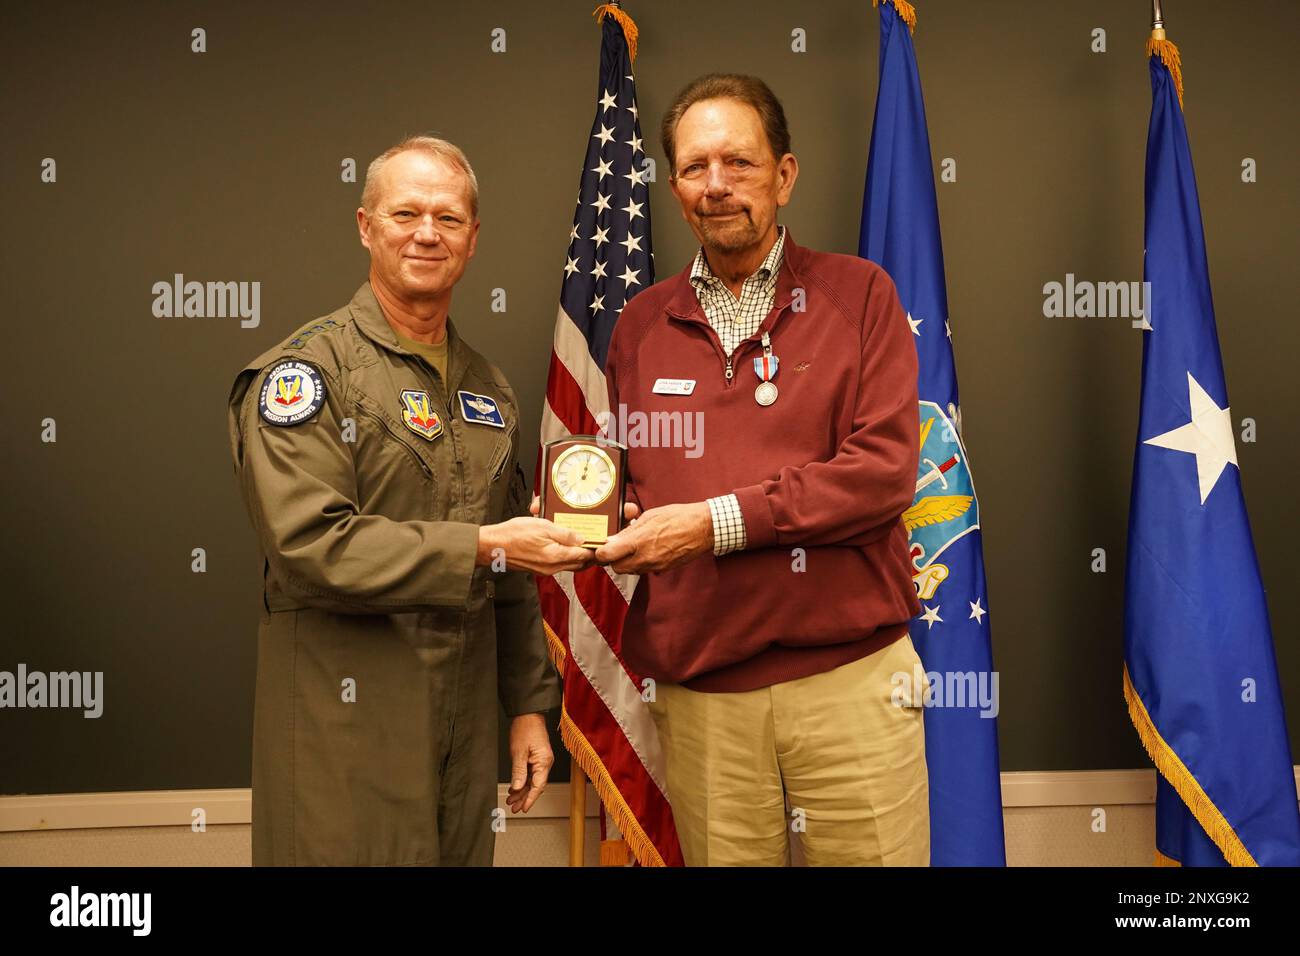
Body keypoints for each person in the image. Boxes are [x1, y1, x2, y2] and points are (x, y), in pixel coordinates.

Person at [593, 74, 930, 866]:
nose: (716, 186)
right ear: (672, 186)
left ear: (783, 175)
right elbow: (629, 481)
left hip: (850, 684)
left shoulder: (860, 295)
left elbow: (882, 474)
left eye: (738, 164)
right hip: (704, 697)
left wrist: (715, 524)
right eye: (694, 167)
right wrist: (604, 518)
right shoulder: (640, 326)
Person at [226, 135, 591, 866]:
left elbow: (514, 568)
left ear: (473, 238)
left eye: (449, 218)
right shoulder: (304, 374)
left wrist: (527, 704)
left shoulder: (488, 390)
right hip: (345, 733)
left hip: (462, 735)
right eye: (406, 213)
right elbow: (311, 548)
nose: (428, 233)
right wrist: (485, 547)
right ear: (366, 226)